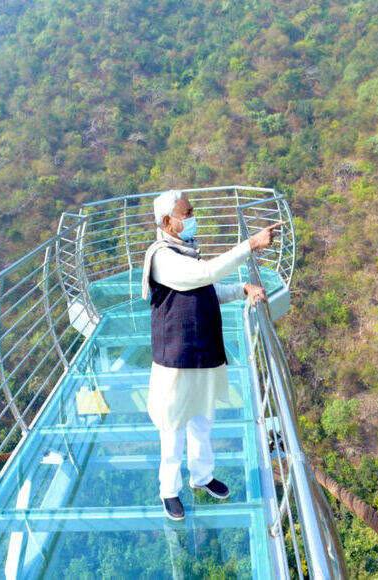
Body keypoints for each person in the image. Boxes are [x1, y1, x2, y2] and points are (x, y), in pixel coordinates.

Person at [140, 190, 283, 521]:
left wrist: (241, 290)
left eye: (191, 211)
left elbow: (205, 289)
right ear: (167, 222)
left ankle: (201, 477)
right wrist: (250, 245)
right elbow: (204, 275)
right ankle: (169, 490)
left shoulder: (184, 250)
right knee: (173, 427)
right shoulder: (163, 257)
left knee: (202, 421)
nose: (191, 217)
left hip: (202, 352)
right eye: (186, 213)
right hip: (175, 359)